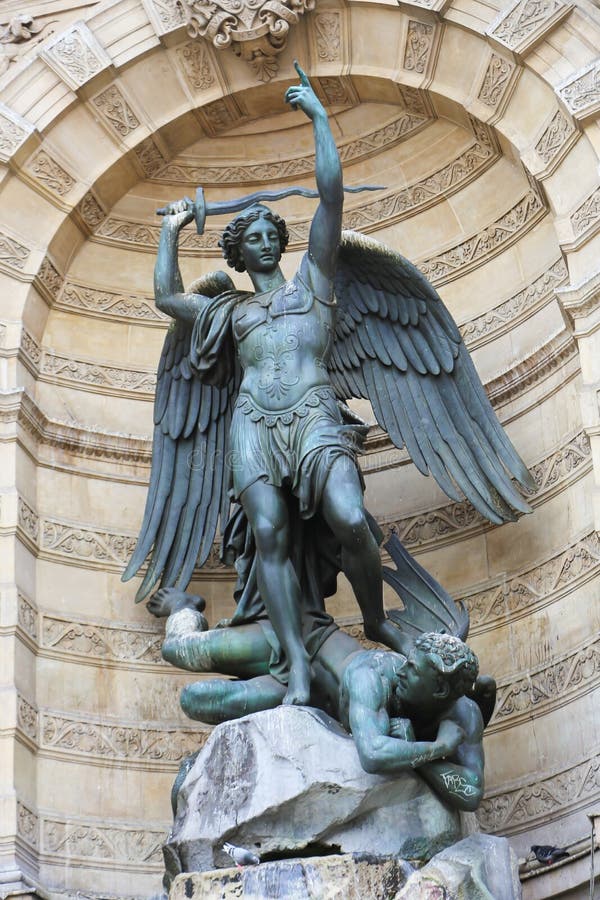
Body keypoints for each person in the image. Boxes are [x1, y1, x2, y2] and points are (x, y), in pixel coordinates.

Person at [152, 63, 405, 707]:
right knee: (268, 534)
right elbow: (165, 297)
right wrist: (172, 228)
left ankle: (373, 619)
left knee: (350, 519)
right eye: (253, 238)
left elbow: (331, 196)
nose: (265, 242)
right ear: (238, 252)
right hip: (254, 423)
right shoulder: (231, 311)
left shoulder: (313, 285)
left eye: (272, 235)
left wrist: (320, 118)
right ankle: (294, 661)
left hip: (315, 413)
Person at [149, 588, 486, 812]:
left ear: (441, 690)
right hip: (301, 642)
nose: (402, 670)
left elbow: (472, 794)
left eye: (413, 670)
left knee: (200, 700)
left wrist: (420, 754)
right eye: (407, 661)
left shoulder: (464, 714)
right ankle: (183, 609)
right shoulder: (374, 674)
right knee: (180, 650)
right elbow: (373, 752)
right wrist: (436, 750)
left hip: (306, 698)